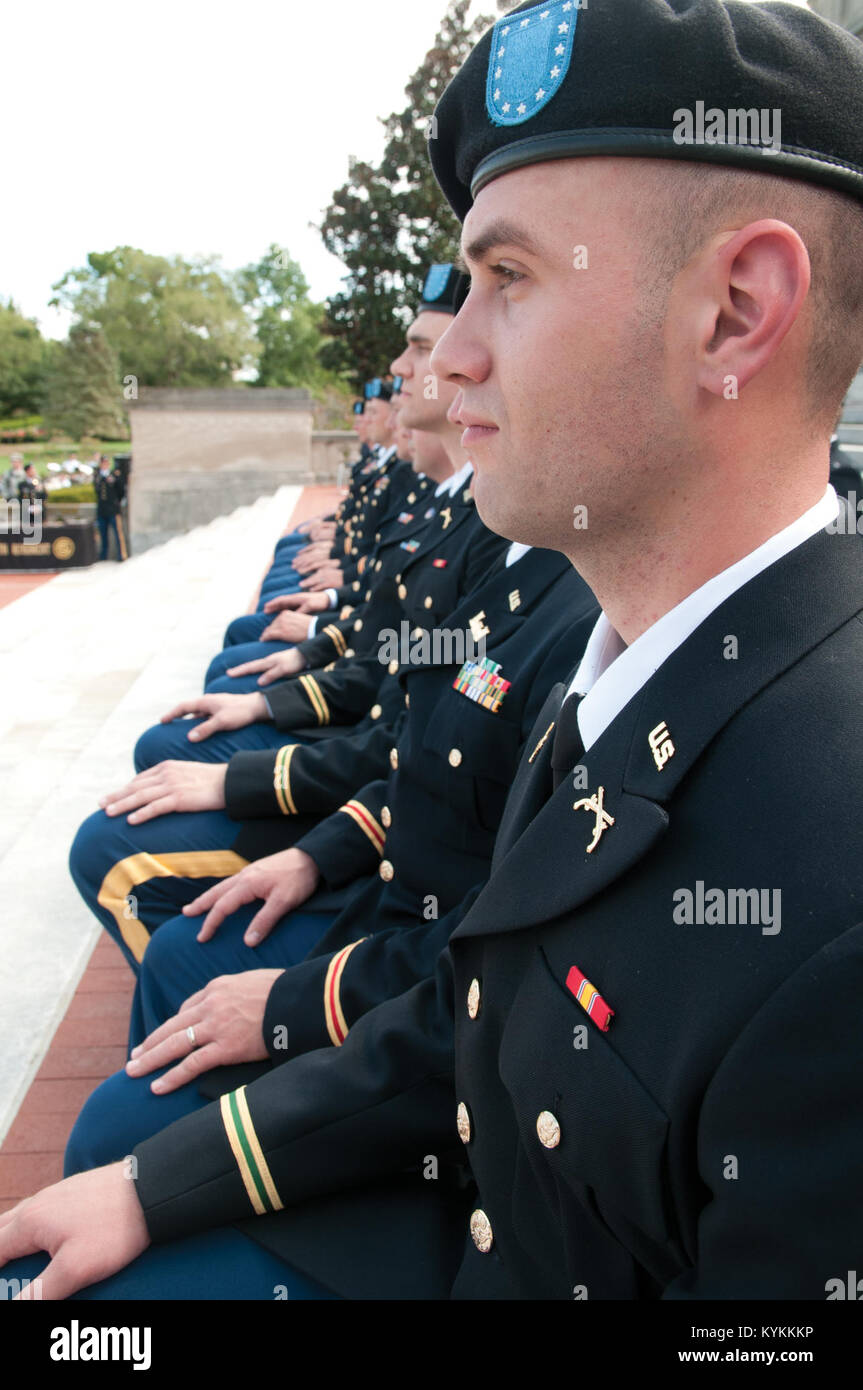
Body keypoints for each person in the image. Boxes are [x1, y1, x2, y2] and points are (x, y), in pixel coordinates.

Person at [4, 0, 863, 1302]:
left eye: (506, 279)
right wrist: (156, 1185)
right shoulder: (632, 671)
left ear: (733, 314)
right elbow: (490, 1017)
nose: (448, 359)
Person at [94, 455, 127, 562]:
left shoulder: (115, 474)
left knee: (118, 534)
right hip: (102, 509)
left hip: (113, 509)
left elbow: (121, 490)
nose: (104, 465)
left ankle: (121, 555)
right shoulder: (98, 475)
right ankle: (103, 556)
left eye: (106, 463)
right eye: (103, 463)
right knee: (103, 535)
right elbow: (97, 489)